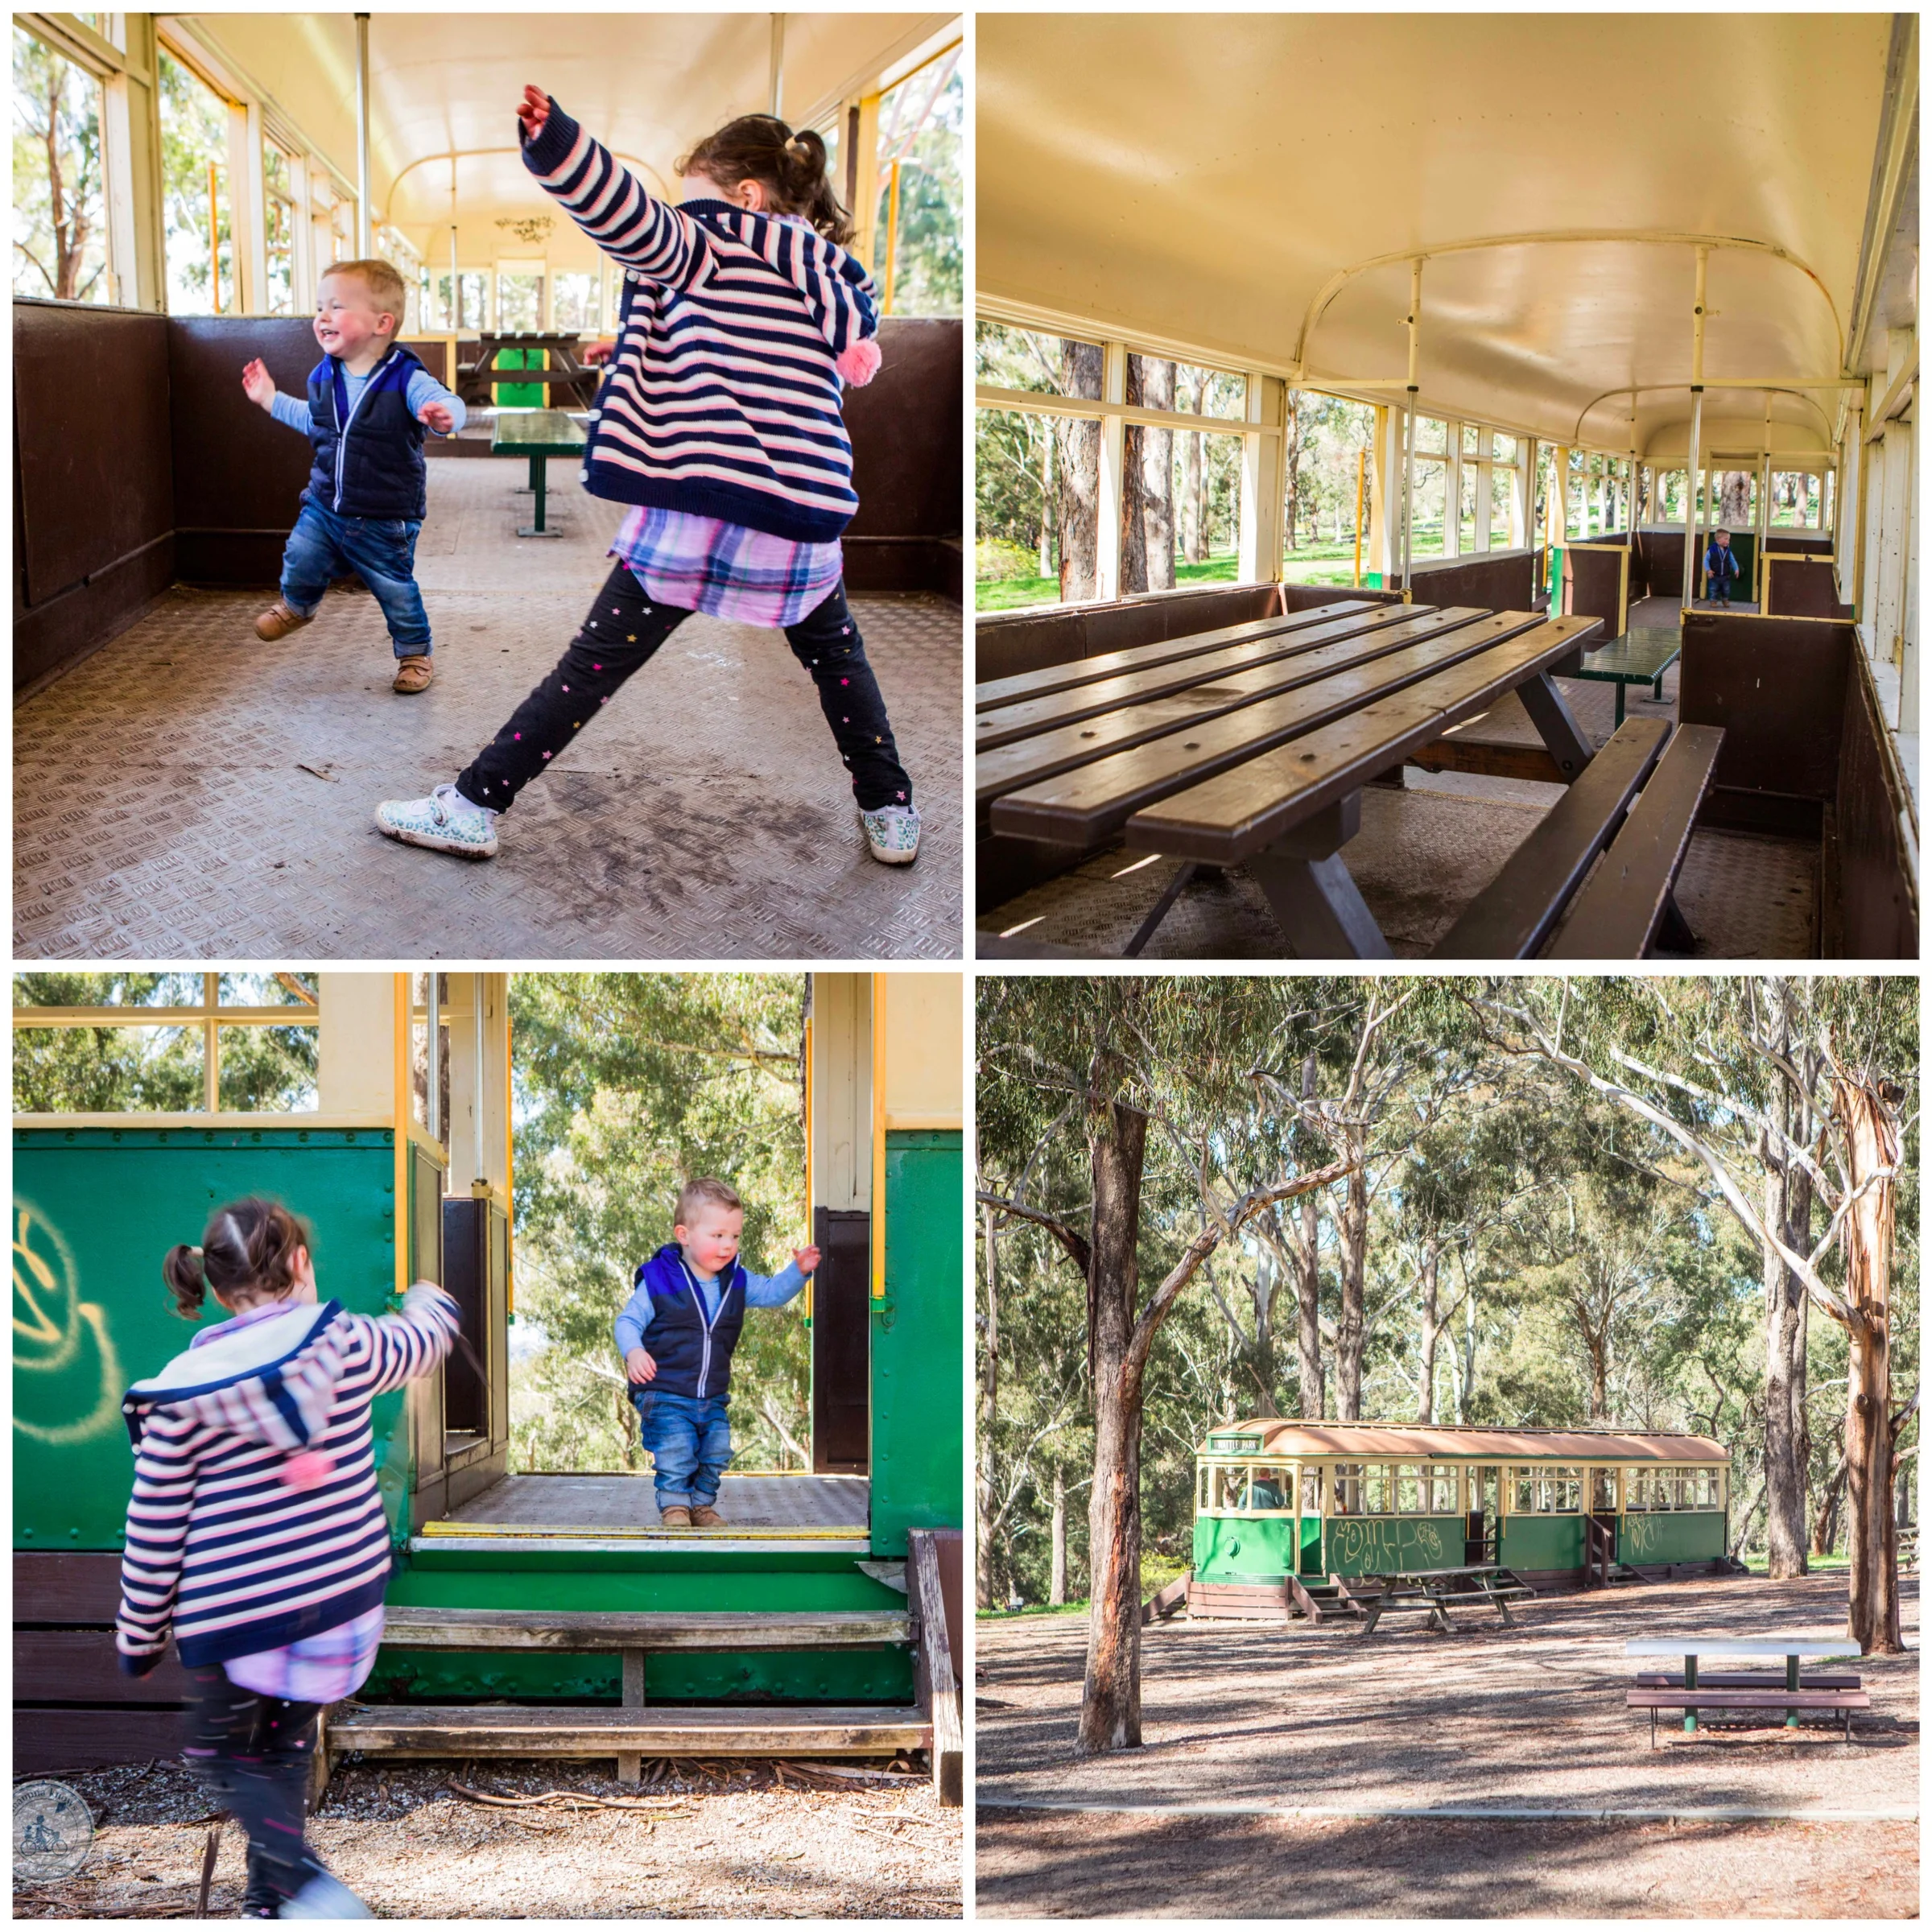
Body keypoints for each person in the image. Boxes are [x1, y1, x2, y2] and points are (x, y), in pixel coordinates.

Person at [374, 87, 920, 867]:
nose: (680, 217)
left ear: (745, 198)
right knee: (839, 663)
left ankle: (472, 807)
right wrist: (632, 344)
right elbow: (752, 357)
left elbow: (626, 215)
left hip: (699, 512)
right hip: (795, 521)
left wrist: (559, 143)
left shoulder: (712, 240)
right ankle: (890, 807)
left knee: (590, 668)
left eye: (691, 203)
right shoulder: (828, 277)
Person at [116, 1198, 458, 1918]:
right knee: (280, 1748)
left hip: (240, 1624)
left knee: (222, 1750)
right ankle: (269, 1901)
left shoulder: (181, 1391)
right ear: (301, 1263)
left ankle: (300, 1881)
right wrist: (431, 1301)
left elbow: (154, 1527)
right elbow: (422, 1342)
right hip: (338, 1613)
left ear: (214, 1288)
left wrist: (140, 1636)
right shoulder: (348, 1344)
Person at [242, 258, 466, 695]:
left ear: (382, 323)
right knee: (300, 553)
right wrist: (270, 398)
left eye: (337, 306)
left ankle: (415, 653)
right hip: (326, 503)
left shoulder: (405, 377)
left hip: (385, 514)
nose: (322, 317)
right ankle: (298, 606)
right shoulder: (323, 377)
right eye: (319, 307)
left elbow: (446, 400)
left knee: (395, 591)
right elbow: (314, 422)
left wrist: (445, 416)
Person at [614, 1177, 819, 1527]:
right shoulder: (659, 1279)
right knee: (676, 1448)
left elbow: (772, 1292)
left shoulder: (736, 1280)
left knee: (717, 1450)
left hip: (711, 1395)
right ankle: (675, 1507)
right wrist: (634, 1352)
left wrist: (798, 1271)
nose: (728, 1245)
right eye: (718, 1235)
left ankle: (701, 1505)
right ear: (684, 1235)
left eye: (735, 1236)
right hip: (664, 1389)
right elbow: (628, 1321)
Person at [1703, 527, 1741, 605]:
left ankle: (1725, 600)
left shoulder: (1728, 550)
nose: (1728, 541)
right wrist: (1708, 570)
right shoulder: (1711, 550)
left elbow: (1732, 560)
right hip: (1714, 575)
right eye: (1726, 539)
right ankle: (1713, 601)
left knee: (1726, 590)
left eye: (1729, 540)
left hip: (1725, 576)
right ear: (1718, 539)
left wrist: (1736, 569)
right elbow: (1706, 560)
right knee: (1713, 589)